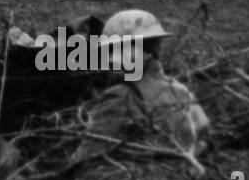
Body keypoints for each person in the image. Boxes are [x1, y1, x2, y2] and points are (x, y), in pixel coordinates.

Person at [76, 9, 210, 161]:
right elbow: (204, 143)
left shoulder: (121, 96)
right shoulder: (182, 91)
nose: (110, 60)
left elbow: (86, 158)